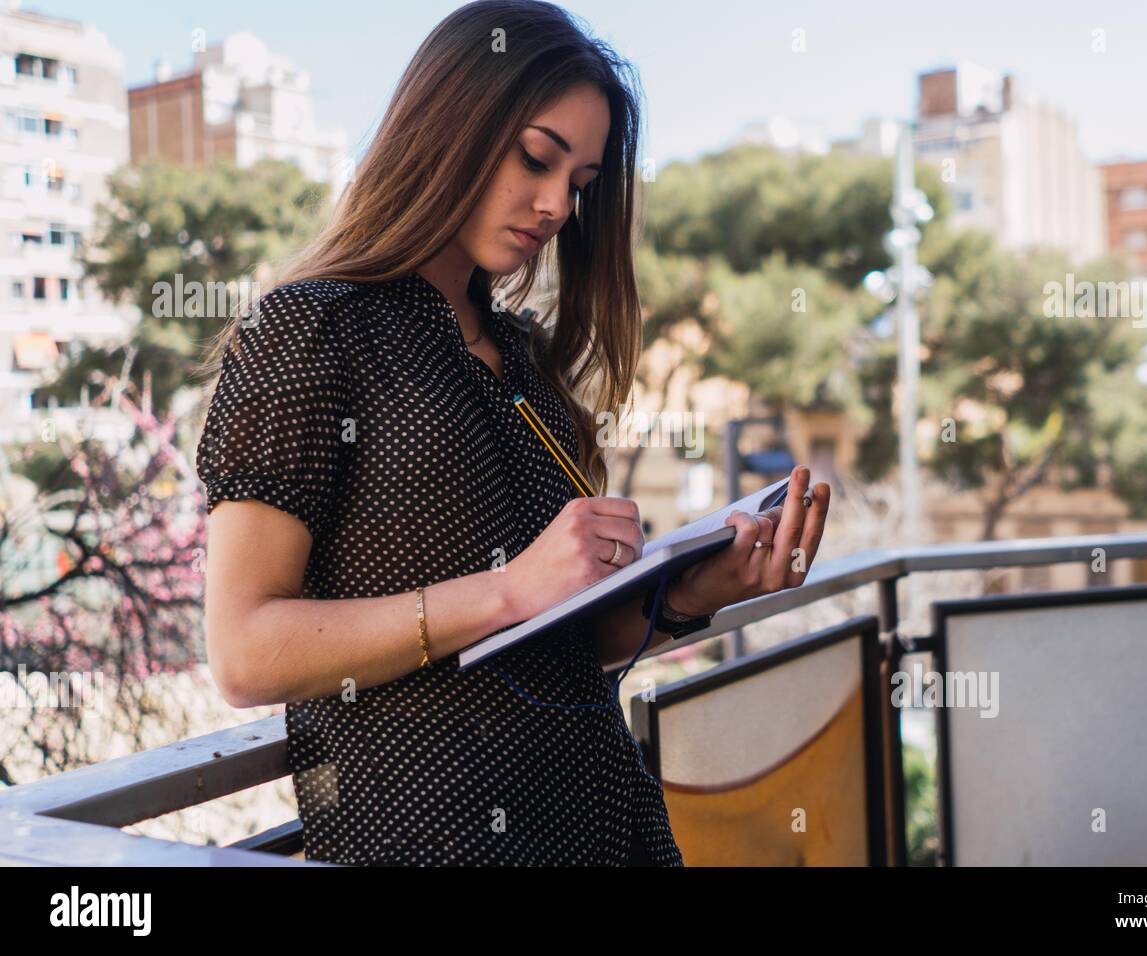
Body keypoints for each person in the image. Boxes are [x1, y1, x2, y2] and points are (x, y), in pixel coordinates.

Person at [195, 0, 831, 867]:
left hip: (614, 833)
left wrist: (694, 587)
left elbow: (568, 641)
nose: (555, 205)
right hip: (437, 844)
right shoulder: (309, 333)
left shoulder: (525, 359)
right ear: (449, 122)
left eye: (579, 183)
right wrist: (506, 590)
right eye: (536, 157)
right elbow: (243, 650)